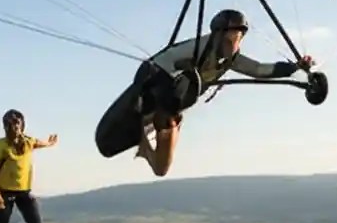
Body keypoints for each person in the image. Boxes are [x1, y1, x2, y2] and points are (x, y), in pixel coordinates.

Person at [96, 9, 313, 177]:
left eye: (238, 38)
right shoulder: (197, 47)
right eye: (230, 38)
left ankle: (146, 147)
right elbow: (155, 65)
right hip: (155, 94)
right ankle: (148, 130)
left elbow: (258, 69)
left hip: (174, 105)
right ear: (218, 35)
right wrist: (155, 97)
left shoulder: (232, 60)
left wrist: (295, 67)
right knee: (166, 121)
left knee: (162, 169)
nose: (234, 44)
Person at [0, 108, 58, 223]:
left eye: (17, 123)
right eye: (11, 124)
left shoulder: (27, 142)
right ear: (5, 127)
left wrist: (49, 143)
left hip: (24, 192)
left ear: (22, 125)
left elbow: (38, 143)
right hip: (5, 192)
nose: (15, 127)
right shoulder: (0, 147)